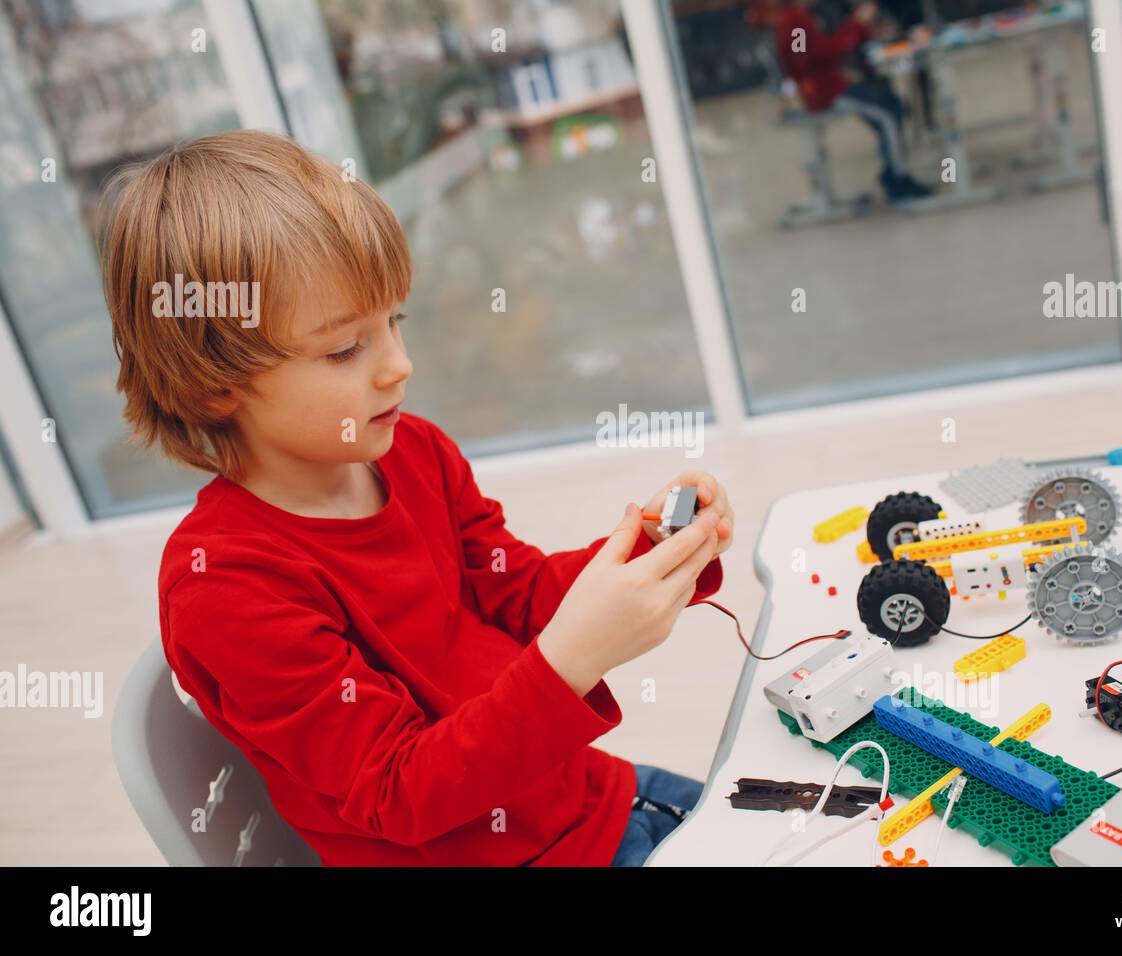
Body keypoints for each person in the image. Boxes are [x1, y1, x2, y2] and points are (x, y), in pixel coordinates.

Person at [100, 129, 735, 866]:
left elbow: (518, 594)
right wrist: (571, 660)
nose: (399, 366)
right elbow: (400, 794)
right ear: (212, 386)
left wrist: (654, 551)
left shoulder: (414, 452)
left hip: (586, 799)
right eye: (344, 350)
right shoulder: (228, 587)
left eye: (393, 323)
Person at [773, 0, 933, 202]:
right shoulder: (795, 21)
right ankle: (898, 180)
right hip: (826, 93)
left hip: (833, 85)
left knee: (888, 100)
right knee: (888, 112)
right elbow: (806, 58)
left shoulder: (801, 17)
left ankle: (893, 170)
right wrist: (854, 25)